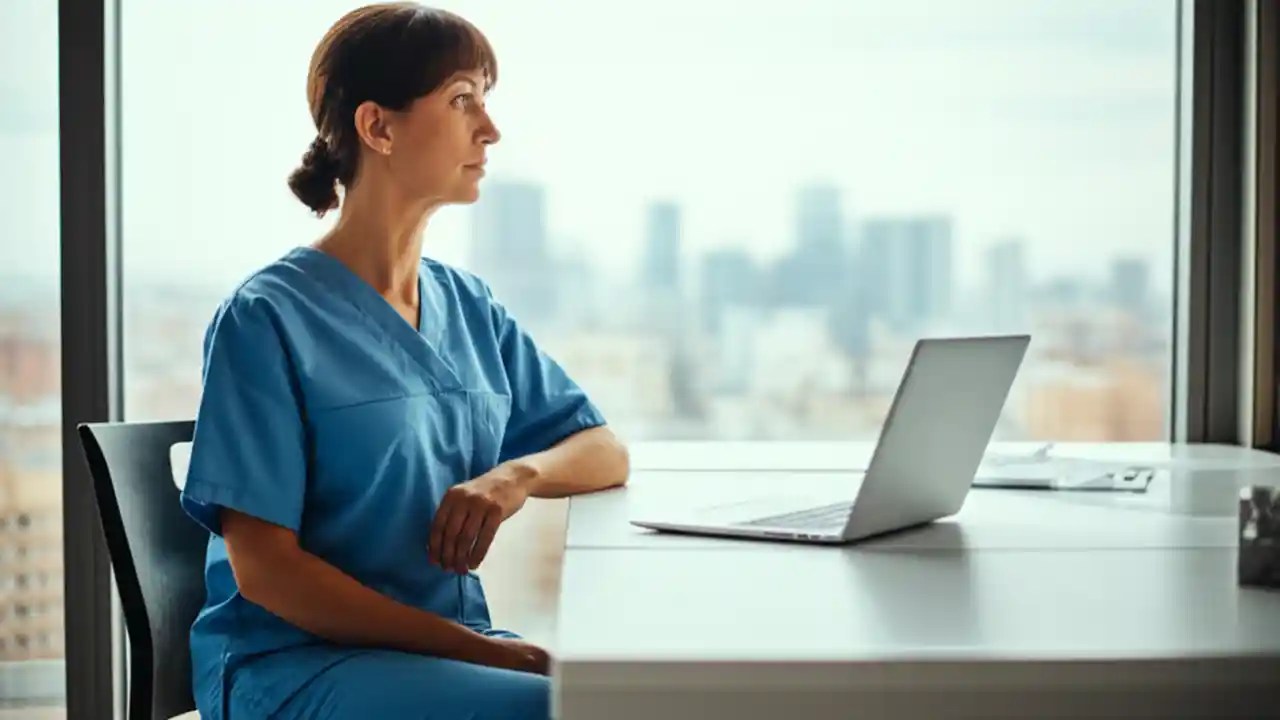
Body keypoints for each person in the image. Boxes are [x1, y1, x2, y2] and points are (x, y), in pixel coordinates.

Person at [178, 4, 630, 718]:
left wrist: (516, 476)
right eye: (461, 100)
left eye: (486, 101)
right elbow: (268, 574)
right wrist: (486, 650)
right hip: (292, 667)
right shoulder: (266, 318)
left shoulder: (469, 305)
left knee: (625, 697)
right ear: (377, 126)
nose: (490, 128)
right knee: (562, 710)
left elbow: (604, 452)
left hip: (441, 654)